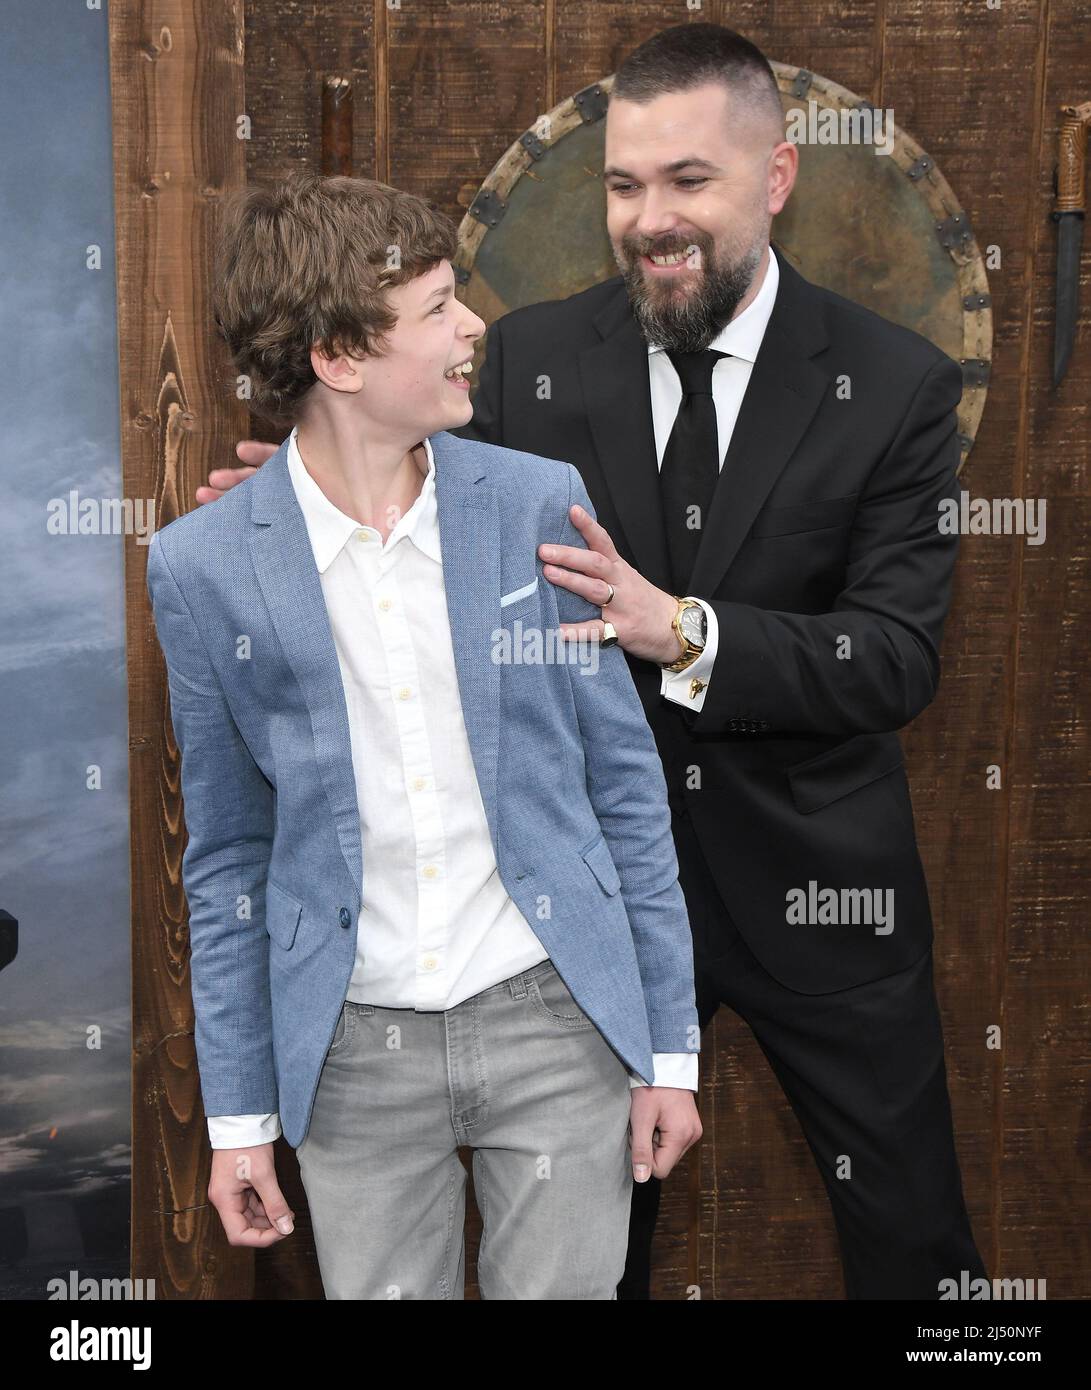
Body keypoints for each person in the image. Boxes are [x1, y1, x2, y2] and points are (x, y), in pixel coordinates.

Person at [200, 24, 988, 1301]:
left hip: (820, 897)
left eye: (687, 182)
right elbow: (412, 489)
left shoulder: (895, 383)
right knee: (586, 1265)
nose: (647, 218)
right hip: (580, 918)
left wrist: (676, 627)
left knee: (911, 1240)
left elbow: (893, 659)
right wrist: (301, 496)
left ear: (775, 177)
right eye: (622, 185)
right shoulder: (523, 358)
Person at [146, 171, 701, 1300]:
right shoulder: (200, 568)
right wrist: (240, 1118)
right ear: (340, 359)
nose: (471, 328)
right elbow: (227, 860)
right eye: (437, 308)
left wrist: (668, 1052)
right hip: (351, 1053)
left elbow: (623, 791)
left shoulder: (537, 502)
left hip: (557, 1020)